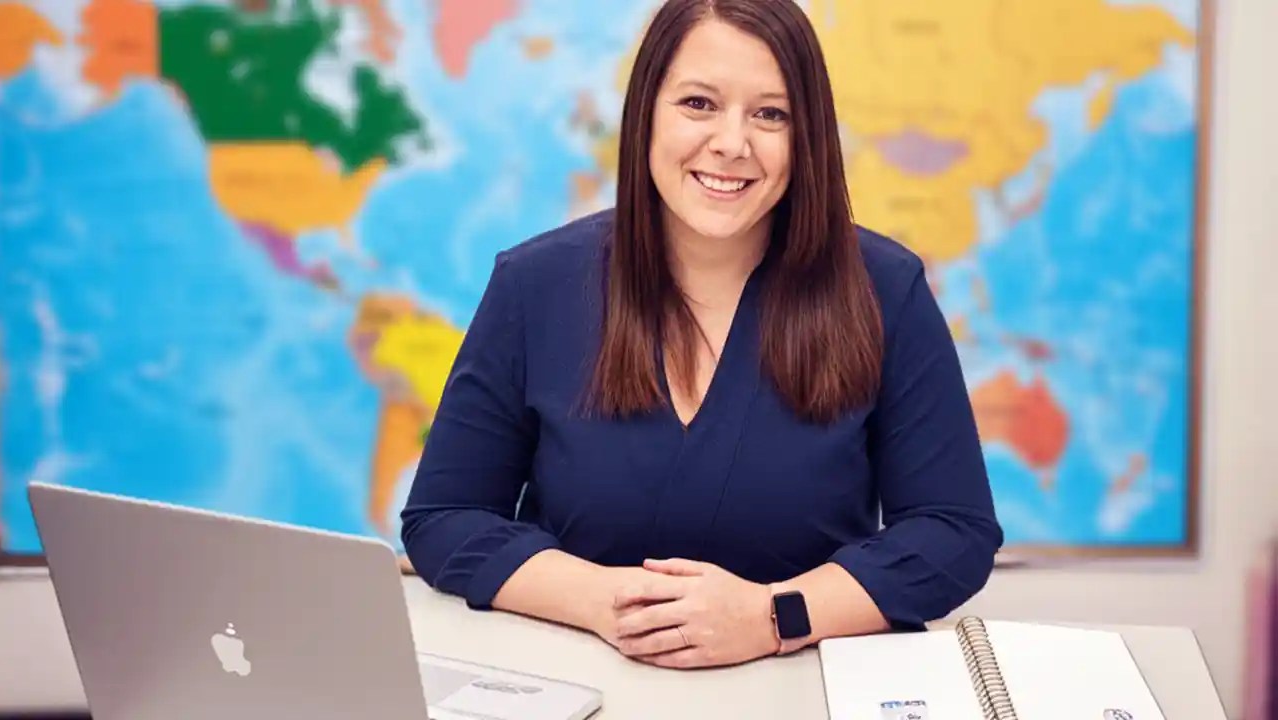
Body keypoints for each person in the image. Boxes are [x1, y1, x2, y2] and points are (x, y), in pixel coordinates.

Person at [400, 0, 1003, 670]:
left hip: (799, 687)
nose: (731, 143)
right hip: (575, 681)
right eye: (698, 104)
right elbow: (445, 517)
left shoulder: (886, 290)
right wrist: (607, 603)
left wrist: (774, 616)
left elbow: (953, 533)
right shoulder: (533, 284)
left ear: (807, 135)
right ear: (646, 113)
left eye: (770, 115)